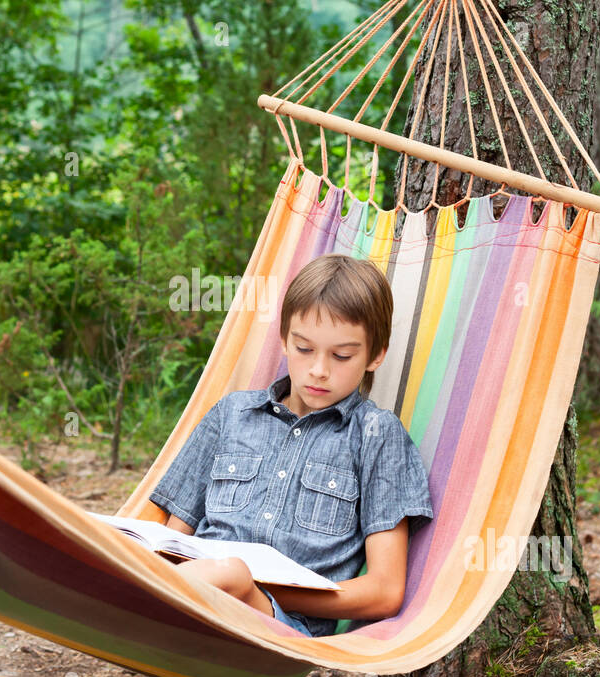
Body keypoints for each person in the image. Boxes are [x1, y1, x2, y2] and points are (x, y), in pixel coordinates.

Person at [149, 253, 434, 637]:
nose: (319, 369)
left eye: (342, 355)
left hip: (279, 624)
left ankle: (151, 605)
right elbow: (173, 537)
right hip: (197, 594)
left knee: (229, 572)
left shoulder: (376, 436)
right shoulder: (232, 413)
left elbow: (384, 591)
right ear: (284, 340)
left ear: (375, 356)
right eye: (303, 349)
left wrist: (256, 583)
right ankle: (148, 605)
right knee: (125, 547)